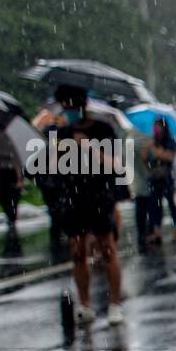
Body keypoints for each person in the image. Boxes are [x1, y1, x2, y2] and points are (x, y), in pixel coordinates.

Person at [54, 85, 125, 325]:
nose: (69, 111)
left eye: (72, 106)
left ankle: (115, 304)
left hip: (99, 196)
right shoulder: (62, 133)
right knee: (77, 251)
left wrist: (89, 147)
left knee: (107, 249)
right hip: (73, 198)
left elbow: (116, 165)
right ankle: (85, 304)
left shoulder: (103, 130)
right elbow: (54, 166)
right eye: (65, 107)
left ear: (83, 106)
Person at [146, 118, 176, 244]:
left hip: (167, 177)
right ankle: (157, 232)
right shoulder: (152, 141)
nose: (156, 129)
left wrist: (157, 151)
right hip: (155, 178)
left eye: (158, 126)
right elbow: (146, 159)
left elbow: (169, 156)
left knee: (171, 204)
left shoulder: (169, 141)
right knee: (156, 206)